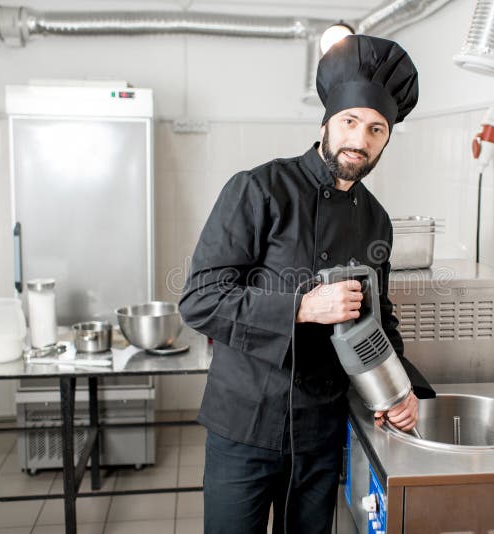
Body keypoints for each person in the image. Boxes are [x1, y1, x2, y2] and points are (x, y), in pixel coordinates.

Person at [179, 34, 434, 534]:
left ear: (386, 138)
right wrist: (301, 307)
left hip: (320, 433)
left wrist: (401, 392)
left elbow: (378, 319)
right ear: (326, 122)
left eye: (376, 129)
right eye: (350, 122)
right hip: (246, 426)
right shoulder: (258, 189)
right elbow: (200, 299)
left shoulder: (377, 220)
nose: (360, 140)